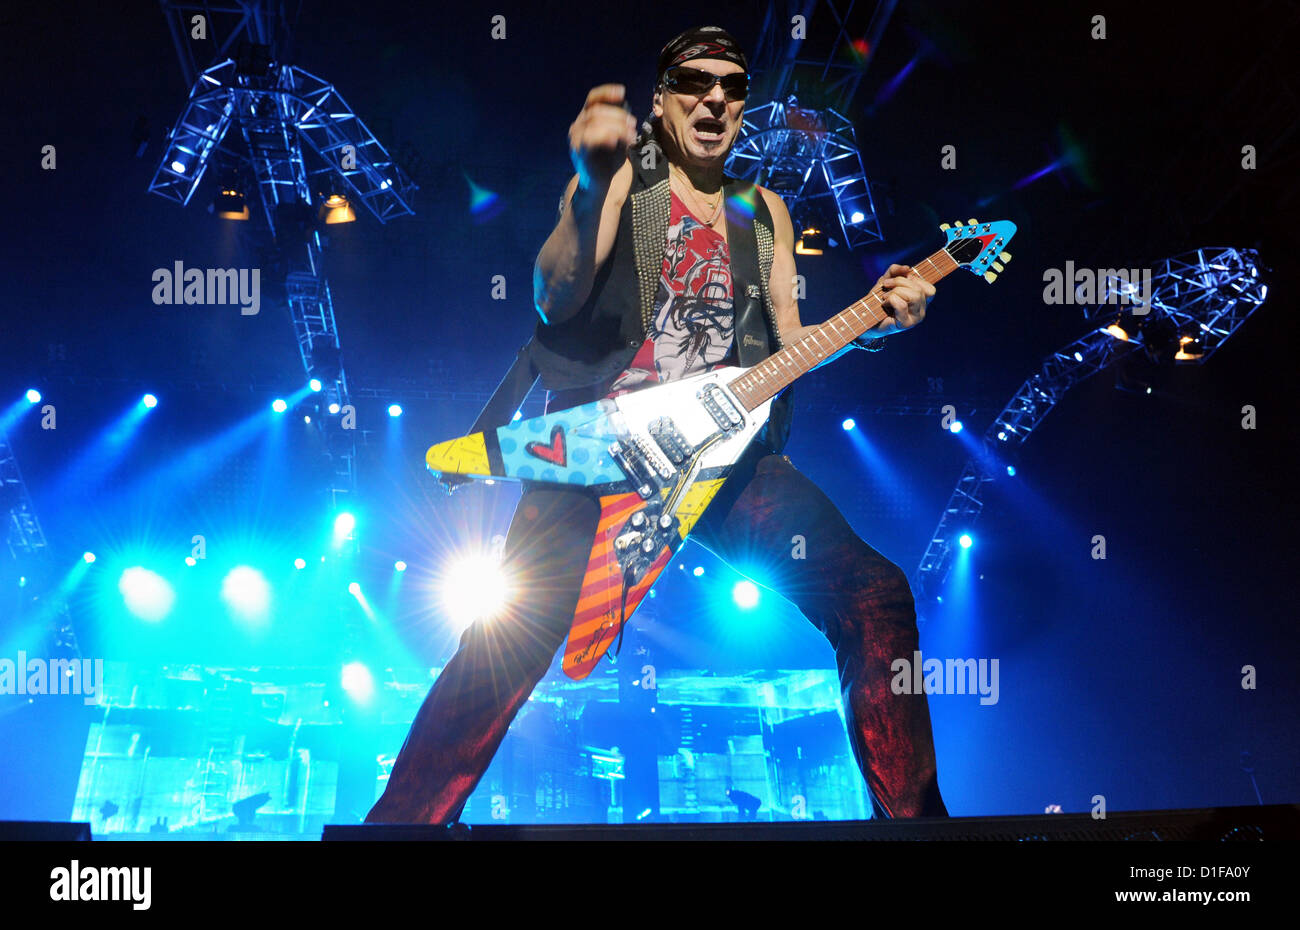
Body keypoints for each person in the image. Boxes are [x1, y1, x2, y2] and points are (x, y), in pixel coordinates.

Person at [367, 25, 946, 824]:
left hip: (726, 454)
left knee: (875, 595)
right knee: (517, 639)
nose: (715, 99)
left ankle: (919, 827)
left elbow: (789, 340)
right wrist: (588, 183)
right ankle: (397, 828)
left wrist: (877, 322)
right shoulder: (621, 180)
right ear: (663, 98)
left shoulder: (762, 211)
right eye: (695, 83)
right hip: (601, 448)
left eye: (733, 86)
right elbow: (553, 297)